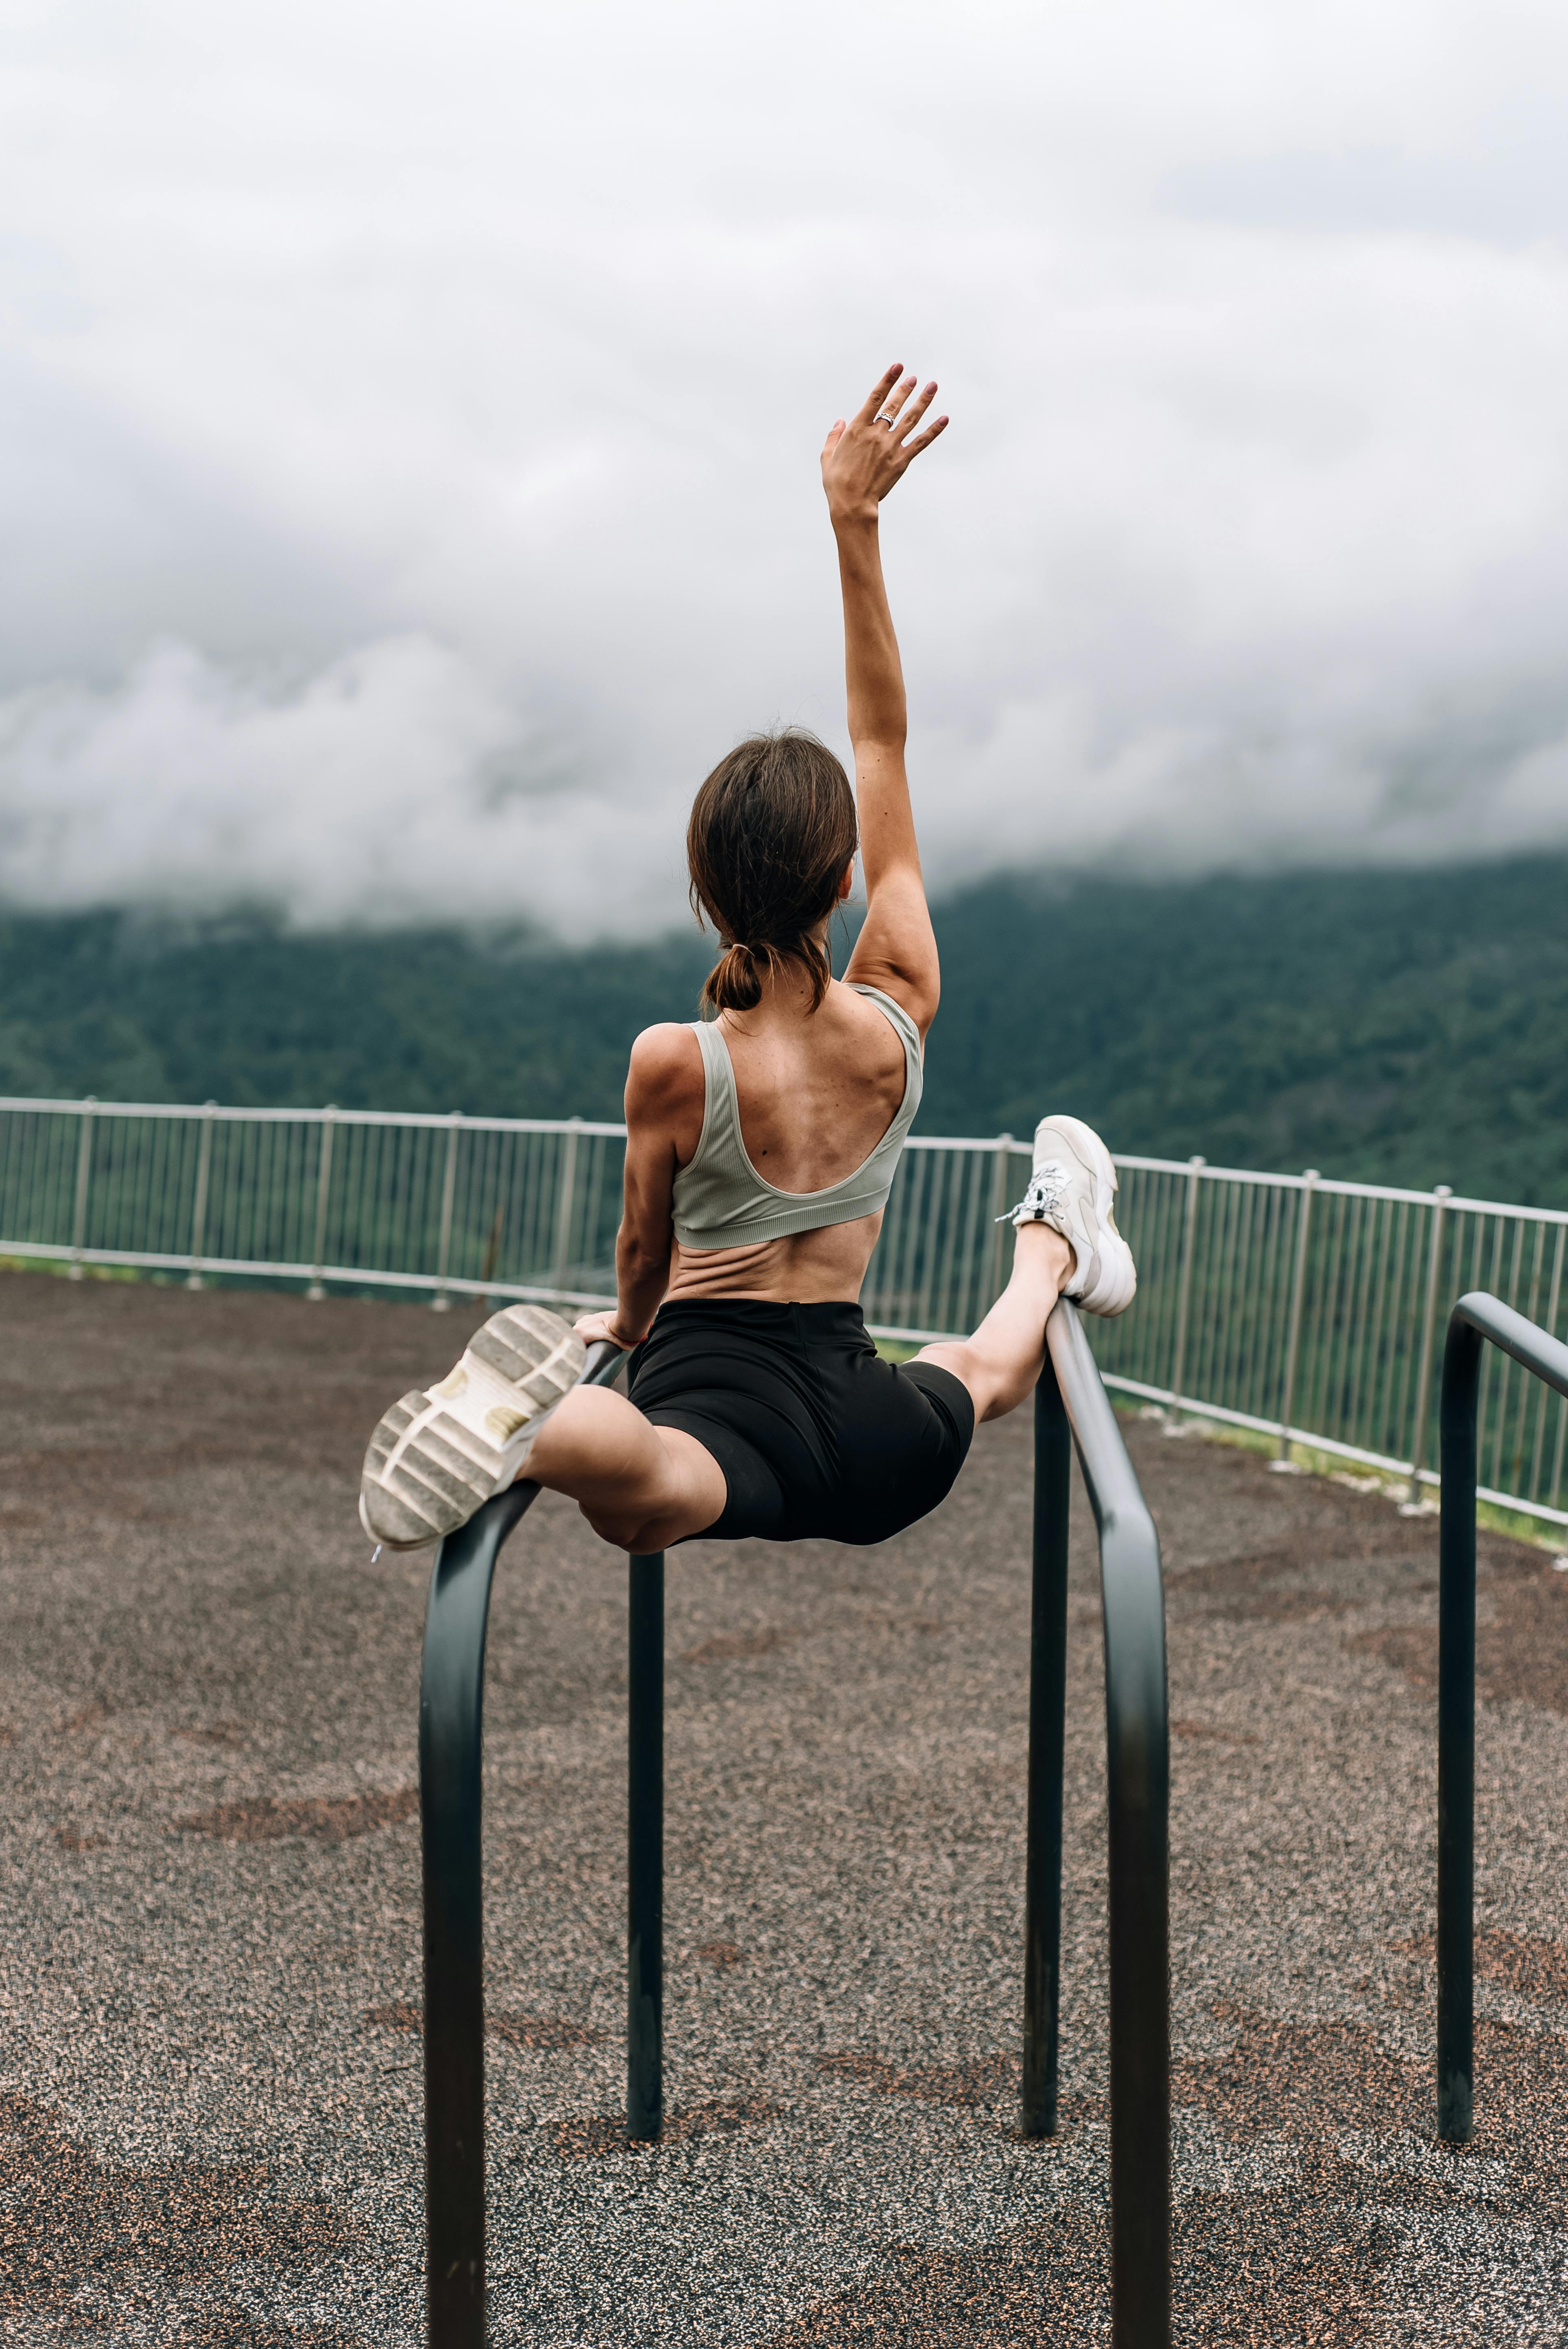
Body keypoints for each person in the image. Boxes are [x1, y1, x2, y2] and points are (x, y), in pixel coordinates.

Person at [359, 363, 1135, 1558]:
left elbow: (643, 1254)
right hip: (866, 1423)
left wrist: (616, 1326)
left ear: (706, 891)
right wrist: (855, 525)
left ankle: (537, 1427)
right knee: (980, 1372)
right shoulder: (899, 1015)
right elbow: (881, 736)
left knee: (650, 1493)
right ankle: (1057, 1241)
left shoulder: (676, 1061)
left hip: (722, 1404)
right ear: (843, 883)